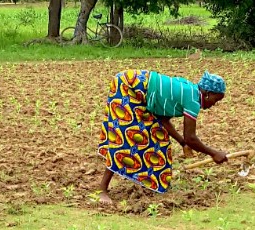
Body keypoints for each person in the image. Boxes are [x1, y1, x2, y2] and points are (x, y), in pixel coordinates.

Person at [97, 69, 228, 204]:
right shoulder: (192, 100)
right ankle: (102, 189)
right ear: (207, 93)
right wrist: (214, 153)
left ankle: (151, 182)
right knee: (124, 139)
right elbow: (191, 138)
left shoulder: (189, 90)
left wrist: (183, 143)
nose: (214, 104)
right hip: (128, 86)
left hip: (137, 89)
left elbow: (163, 120)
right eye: (216, 99)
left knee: (159, 137)